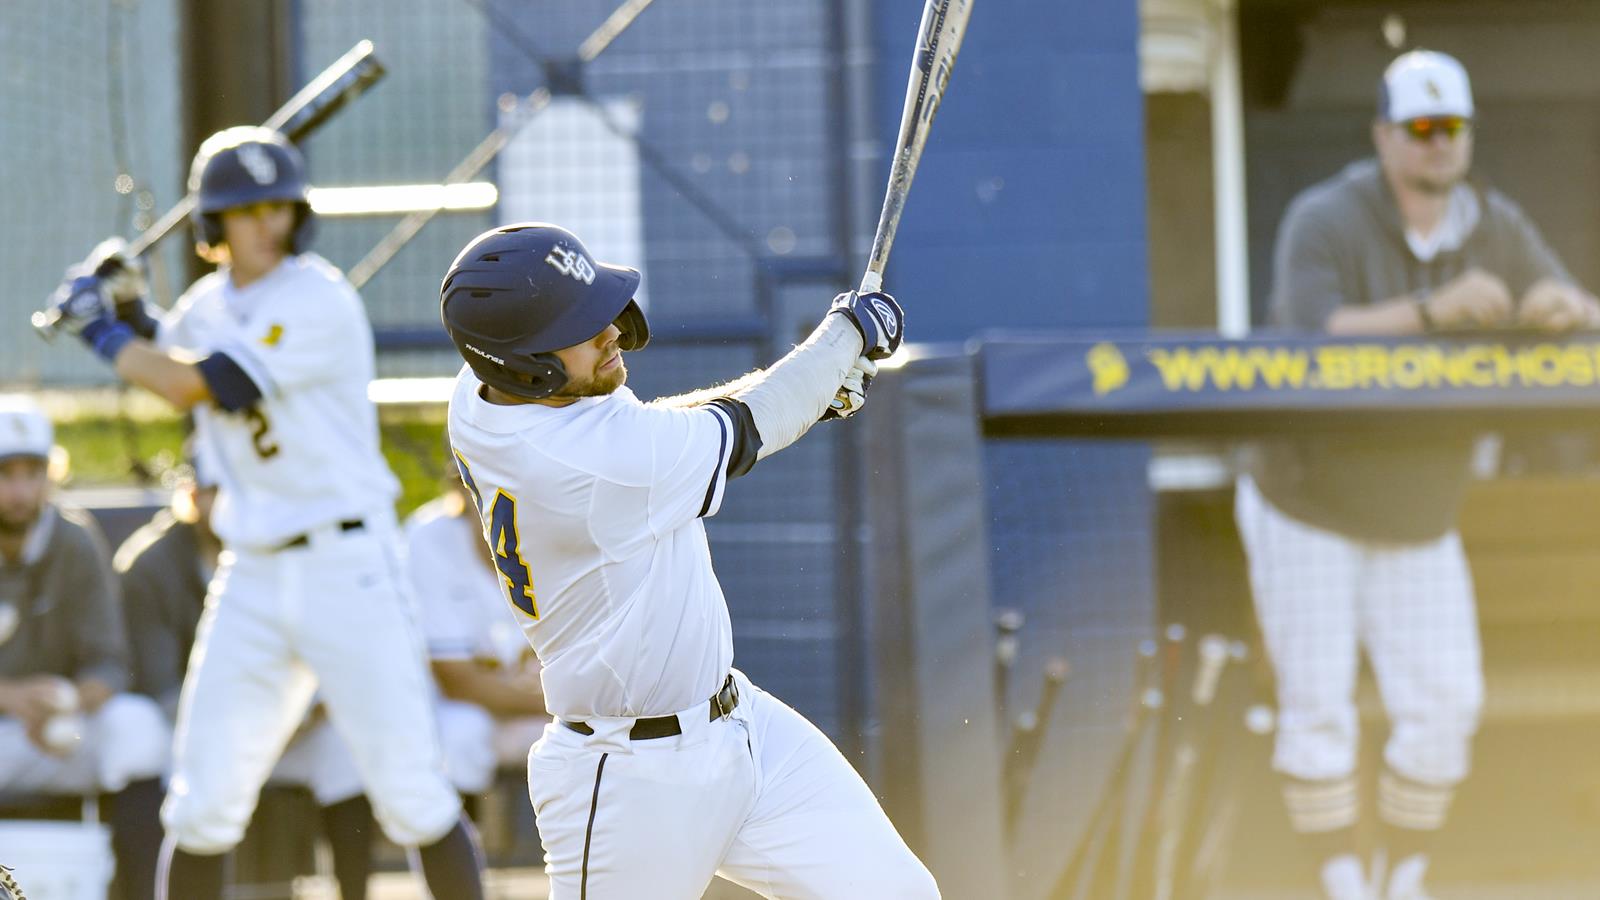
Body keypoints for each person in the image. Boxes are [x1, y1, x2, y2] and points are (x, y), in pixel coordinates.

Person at [38, 126, 485, 900]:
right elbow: (176, 347)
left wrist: (102, 331)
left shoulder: (317, 296)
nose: (265, 224)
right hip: (251, 571)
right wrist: (130, 307)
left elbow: (203, 385)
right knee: (204, 802)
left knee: (412, 792)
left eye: (277, 205)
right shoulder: (210, 304)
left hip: (347, 566)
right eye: (245, 210)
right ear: (214, 224)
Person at [440, 222, 936, 898]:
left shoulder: (480, 402)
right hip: (626, 778)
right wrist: (847, 334)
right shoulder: (586, 466)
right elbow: (744, 426)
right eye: (579, 327)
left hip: (741, 727)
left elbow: (664, 434)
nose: (609, 330)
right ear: (524, 363)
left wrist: (813, 398)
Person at [1236, 50, 1600, 900]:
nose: (1439, 145)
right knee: (1317, 710)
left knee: (1444, 705)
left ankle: (1401, 877)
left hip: (1418, 511)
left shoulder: (1496, 225)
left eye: (1453, 129)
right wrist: (1433, 314)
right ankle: (1338, 883)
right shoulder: (1326, 214)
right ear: (1384, 135)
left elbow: (1581, 304)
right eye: (1423, 129)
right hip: (1307, 502)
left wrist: (1568, 309)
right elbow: (1311, 336)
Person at [115, 457, 376, 900]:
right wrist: (260, 721)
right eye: (218, 490)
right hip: (194, 730)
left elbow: (336, 650)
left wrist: (305, 710)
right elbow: (158, 688)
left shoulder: (294, 547)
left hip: (294, 724)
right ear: (193, 495)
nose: (231, 503)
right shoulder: (151, 565)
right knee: (147, 746)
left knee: (346, 754)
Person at [0, 395, 168, 900]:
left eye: (33, 473)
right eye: (6, 474)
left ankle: (138, 891)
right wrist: (9, 696)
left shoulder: (75, 542)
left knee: (139, 730)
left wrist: (67, 701)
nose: (19, 491)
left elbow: (111, 663)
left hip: (56, 734)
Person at [405, 469, 549, 802]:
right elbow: (456, 680)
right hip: (454, 705)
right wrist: (560, 704)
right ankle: (465, 849)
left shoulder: (563, 528)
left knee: (596, 739)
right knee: (461, 736)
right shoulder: (429, 537)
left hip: (538, 702)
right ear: (458, 484)